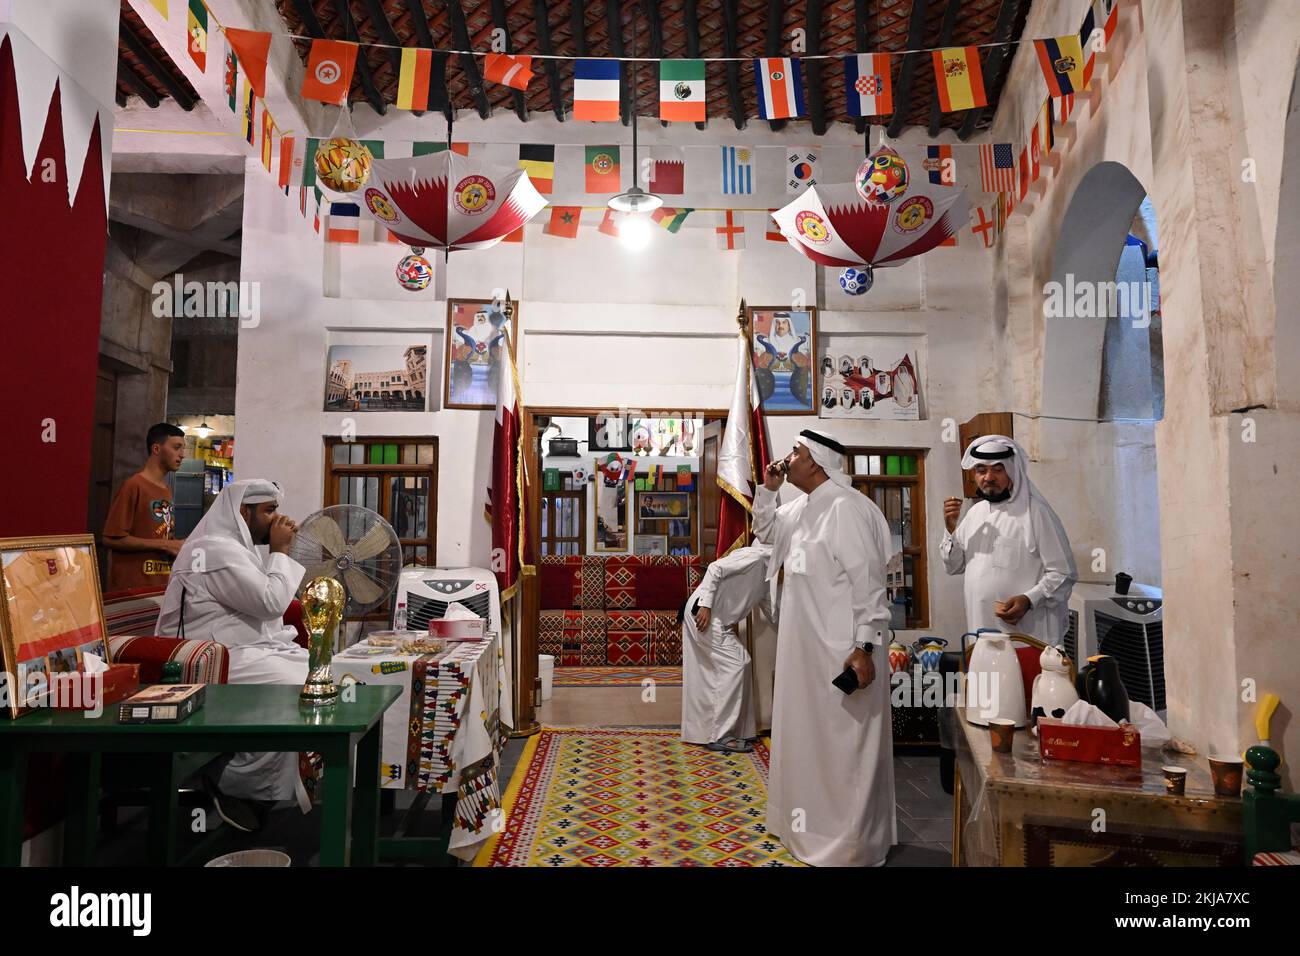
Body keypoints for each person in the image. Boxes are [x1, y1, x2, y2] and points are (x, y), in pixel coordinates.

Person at [752, 429, 896, 867]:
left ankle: (849, 845)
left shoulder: (846, 509)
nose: (787, 458)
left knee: (844, 750)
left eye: (794, 452)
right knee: (805, 740)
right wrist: (767, 492)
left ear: (815, 461)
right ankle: (805, 828)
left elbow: (869, 585)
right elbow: (766, 536)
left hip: (843, 653)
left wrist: (865, 648)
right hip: (803, 652)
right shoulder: (801, 507)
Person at [157, 479, 307, 831]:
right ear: (244, 512)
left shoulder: (234, 548)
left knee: (321, 673)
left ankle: (257, 782)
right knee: (298, 686)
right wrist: (280, 551)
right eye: (268, 511)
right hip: (207, 656)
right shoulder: (213, 551)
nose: (276, 519)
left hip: (243, 651)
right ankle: (234, 783)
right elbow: (271, 602)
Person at [941, 435, 1077, 643]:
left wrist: (1029, 600)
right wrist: (951, 529)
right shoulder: (974, 513)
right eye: (981, 470)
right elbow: (954, 566)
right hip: (980, 635)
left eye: (997, 469)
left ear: (1011, 470)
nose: (989, 477)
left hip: (1027, 637)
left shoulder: (1035, 513)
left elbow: (1064, 573)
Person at [680, 543, 773, 753]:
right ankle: (722, 735)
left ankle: (729, 731)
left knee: (732, 666)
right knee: (738, 664)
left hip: (715, 619)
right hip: (704, 614)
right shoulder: (755, 558)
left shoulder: (768, 577)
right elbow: (715, 568)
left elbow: (773, 613)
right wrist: (706, 604)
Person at [102, 422, 186, 591]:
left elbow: (161, 536)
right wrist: (164, 545)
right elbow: (110, 538)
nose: (182, 455)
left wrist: (177, 544)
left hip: (161, 586)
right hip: (133, 590)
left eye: (183, 449)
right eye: (177, 447)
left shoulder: (166, 489)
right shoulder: (134, 486)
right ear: (156, 449)